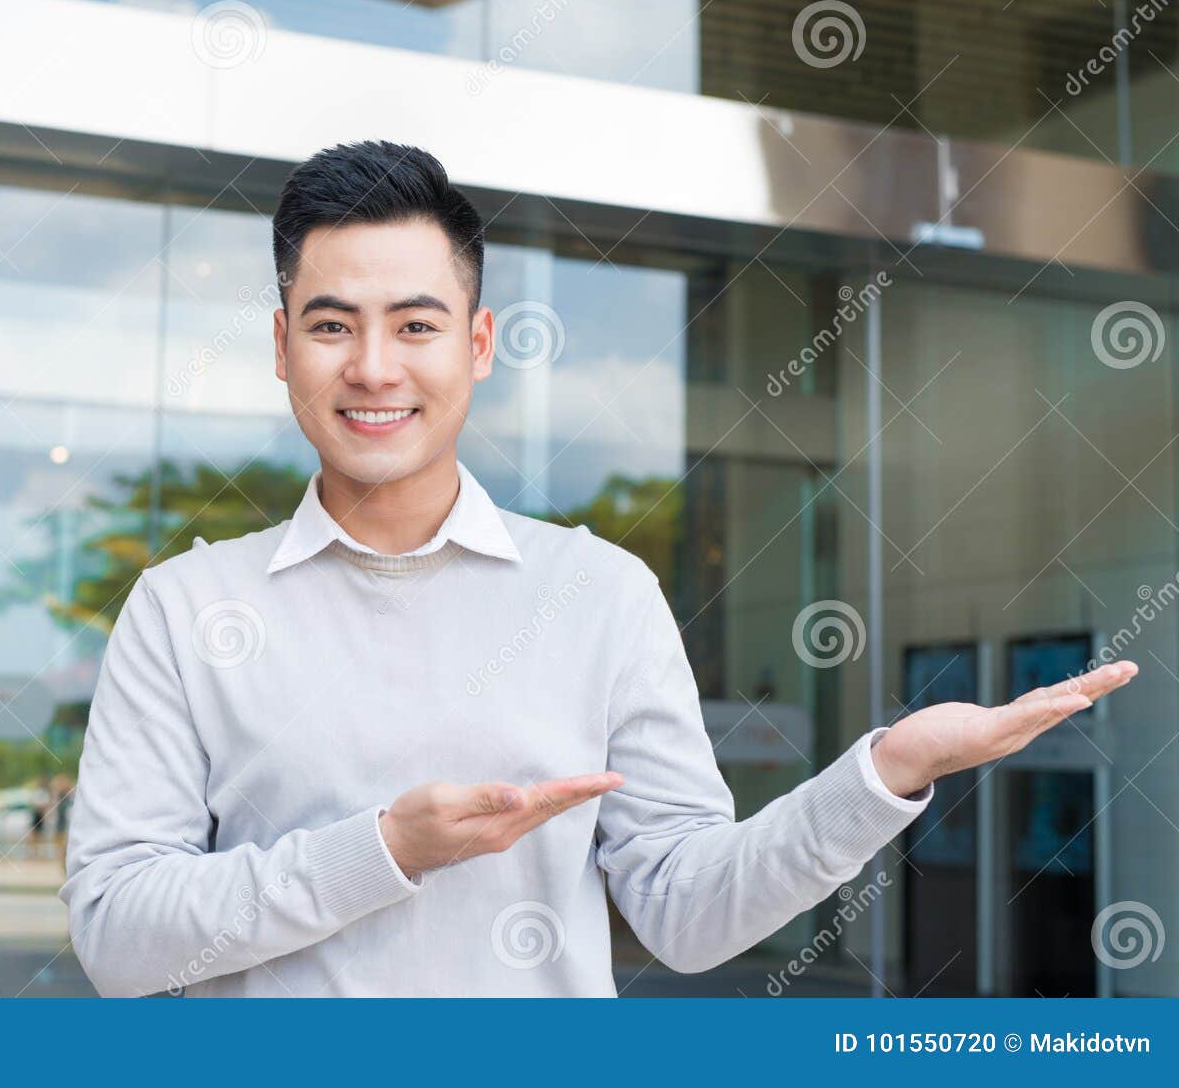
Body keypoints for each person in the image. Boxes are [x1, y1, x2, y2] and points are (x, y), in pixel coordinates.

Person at [59, 140, 1139, 997]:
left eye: (415, 324)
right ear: (282, 344)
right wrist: (383, 849)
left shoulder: (599, 593)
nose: (373, 367)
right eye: (332, 325)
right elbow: (116, 937)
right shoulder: (186, 608)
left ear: (478, 345)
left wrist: (881, 776)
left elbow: (685, 914)